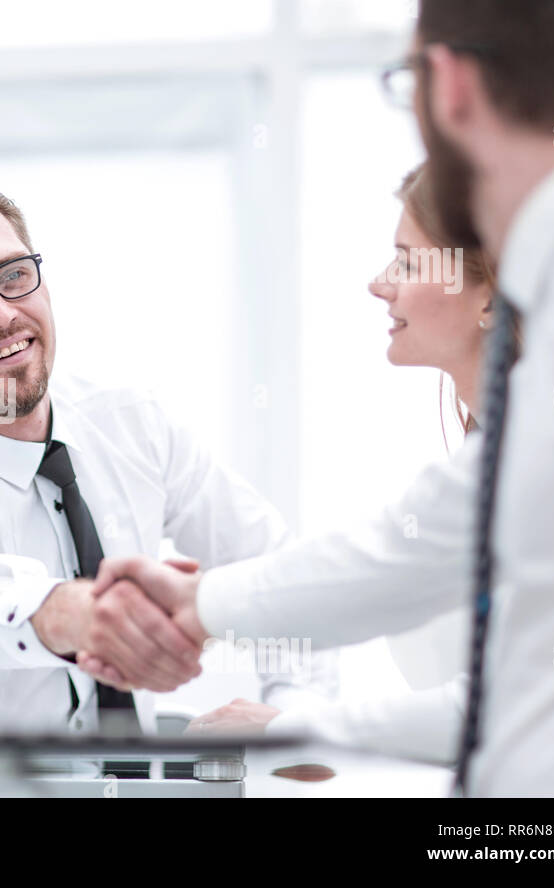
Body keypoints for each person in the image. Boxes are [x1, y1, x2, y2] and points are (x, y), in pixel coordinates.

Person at [81, 0, 554, 796]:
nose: (379, 285)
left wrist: (217, 624)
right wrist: (210, 603)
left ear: (449, 85)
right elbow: (450, 526)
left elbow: (433, 553)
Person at [0, 180, 336, 744]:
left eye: (14, 275)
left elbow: (281, 572)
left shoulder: (133, 425)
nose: (0, 313)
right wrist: (81, 617)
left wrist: (296, 718)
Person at [188, 163, 517, 764]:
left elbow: (503, 711)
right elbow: (374, 571)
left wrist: (297, 727)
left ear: (491, 294)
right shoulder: (488, 456)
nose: (379, 283)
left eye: (409, 263)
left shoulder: (541, 464)